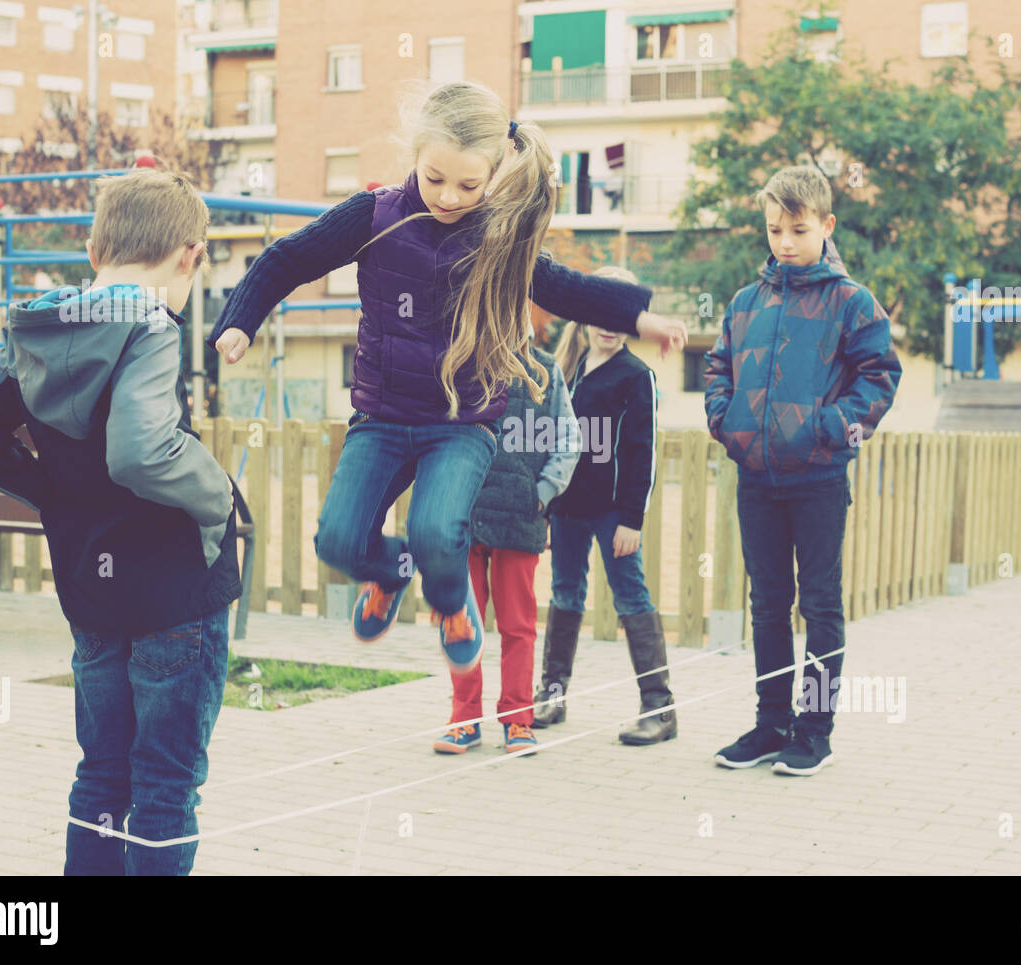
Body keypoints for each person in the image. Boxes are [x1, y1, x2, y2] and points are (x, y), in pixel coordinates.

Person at [208, 81, 685, 677]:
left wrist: (642, 318)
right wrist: (240, 322)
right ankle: (390, 573)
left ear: (494, 174)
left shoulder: (499, 240)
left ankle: (454, 606)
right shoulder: (375, 215)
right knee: (336, 540)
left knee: (438, 532)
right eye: (434, 178)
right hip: (381, 416)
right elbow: (288, 258)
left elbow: (569, 289)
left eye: (469, 184)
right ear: (415, 155)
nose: (449, 197)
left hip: (461, 425)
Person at [0, 166, 240, 873]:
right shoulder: (152, 327)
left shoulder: (37, 327)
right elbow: (140, 451)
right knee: (164, 790)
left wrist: (49, 490)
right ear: (191, 255)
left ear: (94, 252)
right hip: (174, 593)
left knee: (102, 777)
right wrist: (217, 493)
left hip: (90, 592)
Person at [704, 165, 902, 776]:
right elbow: (718, 370)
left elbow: (881, 377)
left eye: (797, 229)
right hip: (757, 479)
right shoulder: (746, 301)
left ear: (826, 225)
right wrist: (726, 421)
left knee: (819, 605)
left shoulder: (852, 303)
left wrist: (826, 427)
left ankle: (814, 732)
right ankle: (771, 724)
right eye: (774, 230)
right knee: (766, 604)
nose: (785, 243)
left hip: (817, 478)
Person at [535, 266, 675, 746]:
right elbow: (551, 442)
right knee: (565, 595)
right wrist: (549, 508)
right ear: (585, 314)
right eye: (602, 312)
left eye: (621, 315)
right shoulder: (565, 372)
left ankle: (660, 707)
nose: (609, 325)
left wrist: (632, 520)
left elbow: (644, 454)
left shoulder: (636, 377)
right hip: (568, 509)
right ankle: (551, 695)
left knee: (630, 597)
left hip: (614, 513)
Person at [433, 334, 581, 755]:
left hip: (520, 516)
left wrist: (542, 492)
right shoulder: (456, 362)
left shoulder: (545, 370)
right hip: (462, 512)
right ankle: (464, 720)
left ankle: (518, 720)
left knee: (517, 625)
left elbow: (568, 440)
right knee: (461, 622)